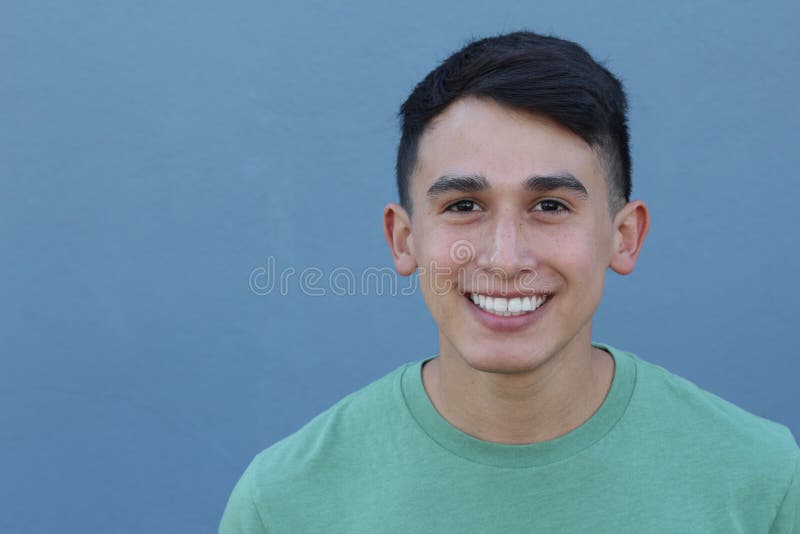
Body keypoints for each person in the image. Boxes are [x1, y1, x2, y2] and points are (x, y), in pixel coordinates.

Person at [220, 31, 799, 532]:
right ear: (404, 239)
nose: (503, 258)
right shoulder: (286, 503)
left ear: (624, 237)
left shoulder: (763, 482)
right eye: (463, 205)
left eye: (549, 205)